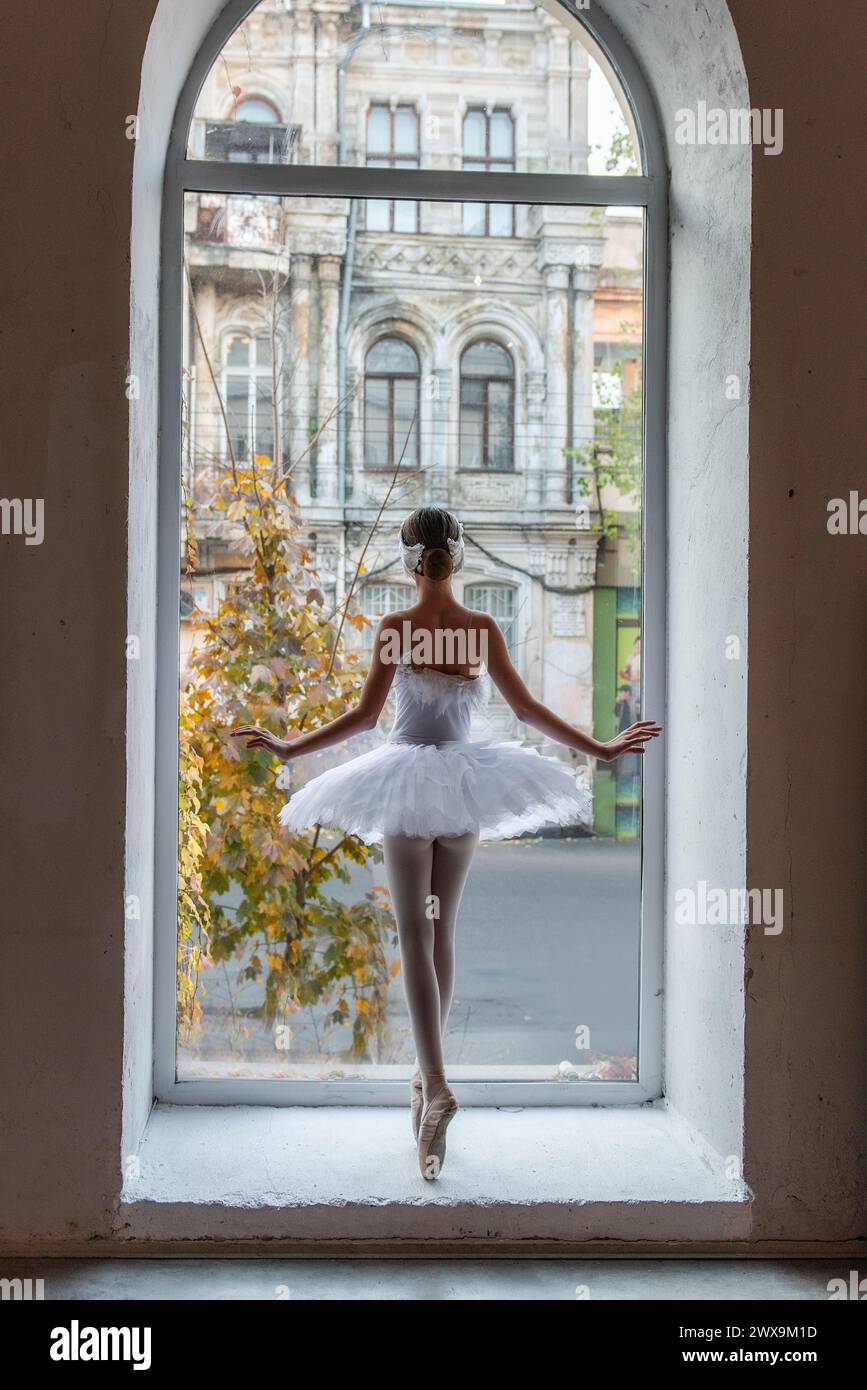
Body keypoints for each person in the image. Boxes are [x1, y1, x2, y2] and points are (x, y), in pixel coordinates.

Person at [232, 507, 662, 1180]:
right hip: (463, 784)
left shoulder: (396, 630)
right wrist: (600, 747)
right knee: (442, 935)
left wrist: (288, 745)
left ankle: (434, 1086)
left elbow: (364, 718)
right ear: (455, 559)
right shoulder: (481, 628)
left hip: (404, 783)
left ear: (409, 561)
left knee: (412, 938)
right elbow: (525, 712)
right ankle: (425, 1080)